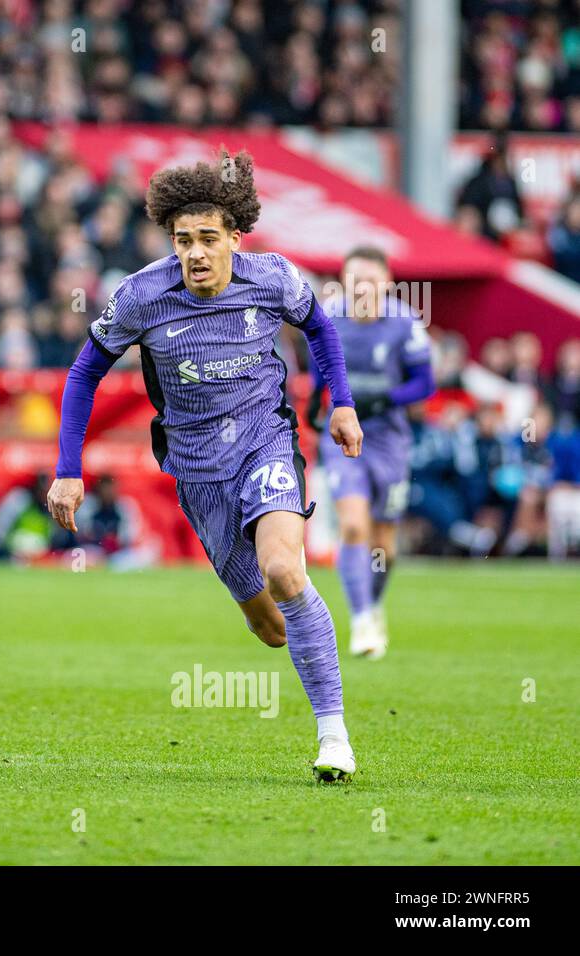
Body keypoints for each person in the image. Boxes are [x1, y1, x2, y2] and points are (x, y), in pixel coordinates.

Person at [47, 149, 364, 783]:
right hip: (196, 470)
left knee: (285, 570)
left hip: (266, 442)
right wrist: (68, 467)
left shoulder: (271, 277)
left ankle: (334, 736)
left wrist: (342, 405)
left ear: (234, 238)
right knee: (271, 628)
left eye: (207, 239)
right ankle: (294, 630)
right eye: (182, 239)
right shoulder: (142, 295)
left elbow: (321, 327)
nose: (194, 252)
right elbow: (85, 371)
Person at [308, 247, 433, 658]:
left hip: (388, 440)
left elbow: (425, 382)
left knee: (384, 545)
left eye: (370, 279)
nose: (362, 287)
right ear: (344, 281)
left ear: (386, 282)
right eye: (355, 279)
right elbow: (317, 365)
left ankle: (374, 603)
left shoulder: (404, 323)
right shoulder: (329, 317)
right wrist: (312, 401)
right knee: (354, 528)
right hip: (344, 435)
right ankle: (361, 619)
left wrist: (386, 397)